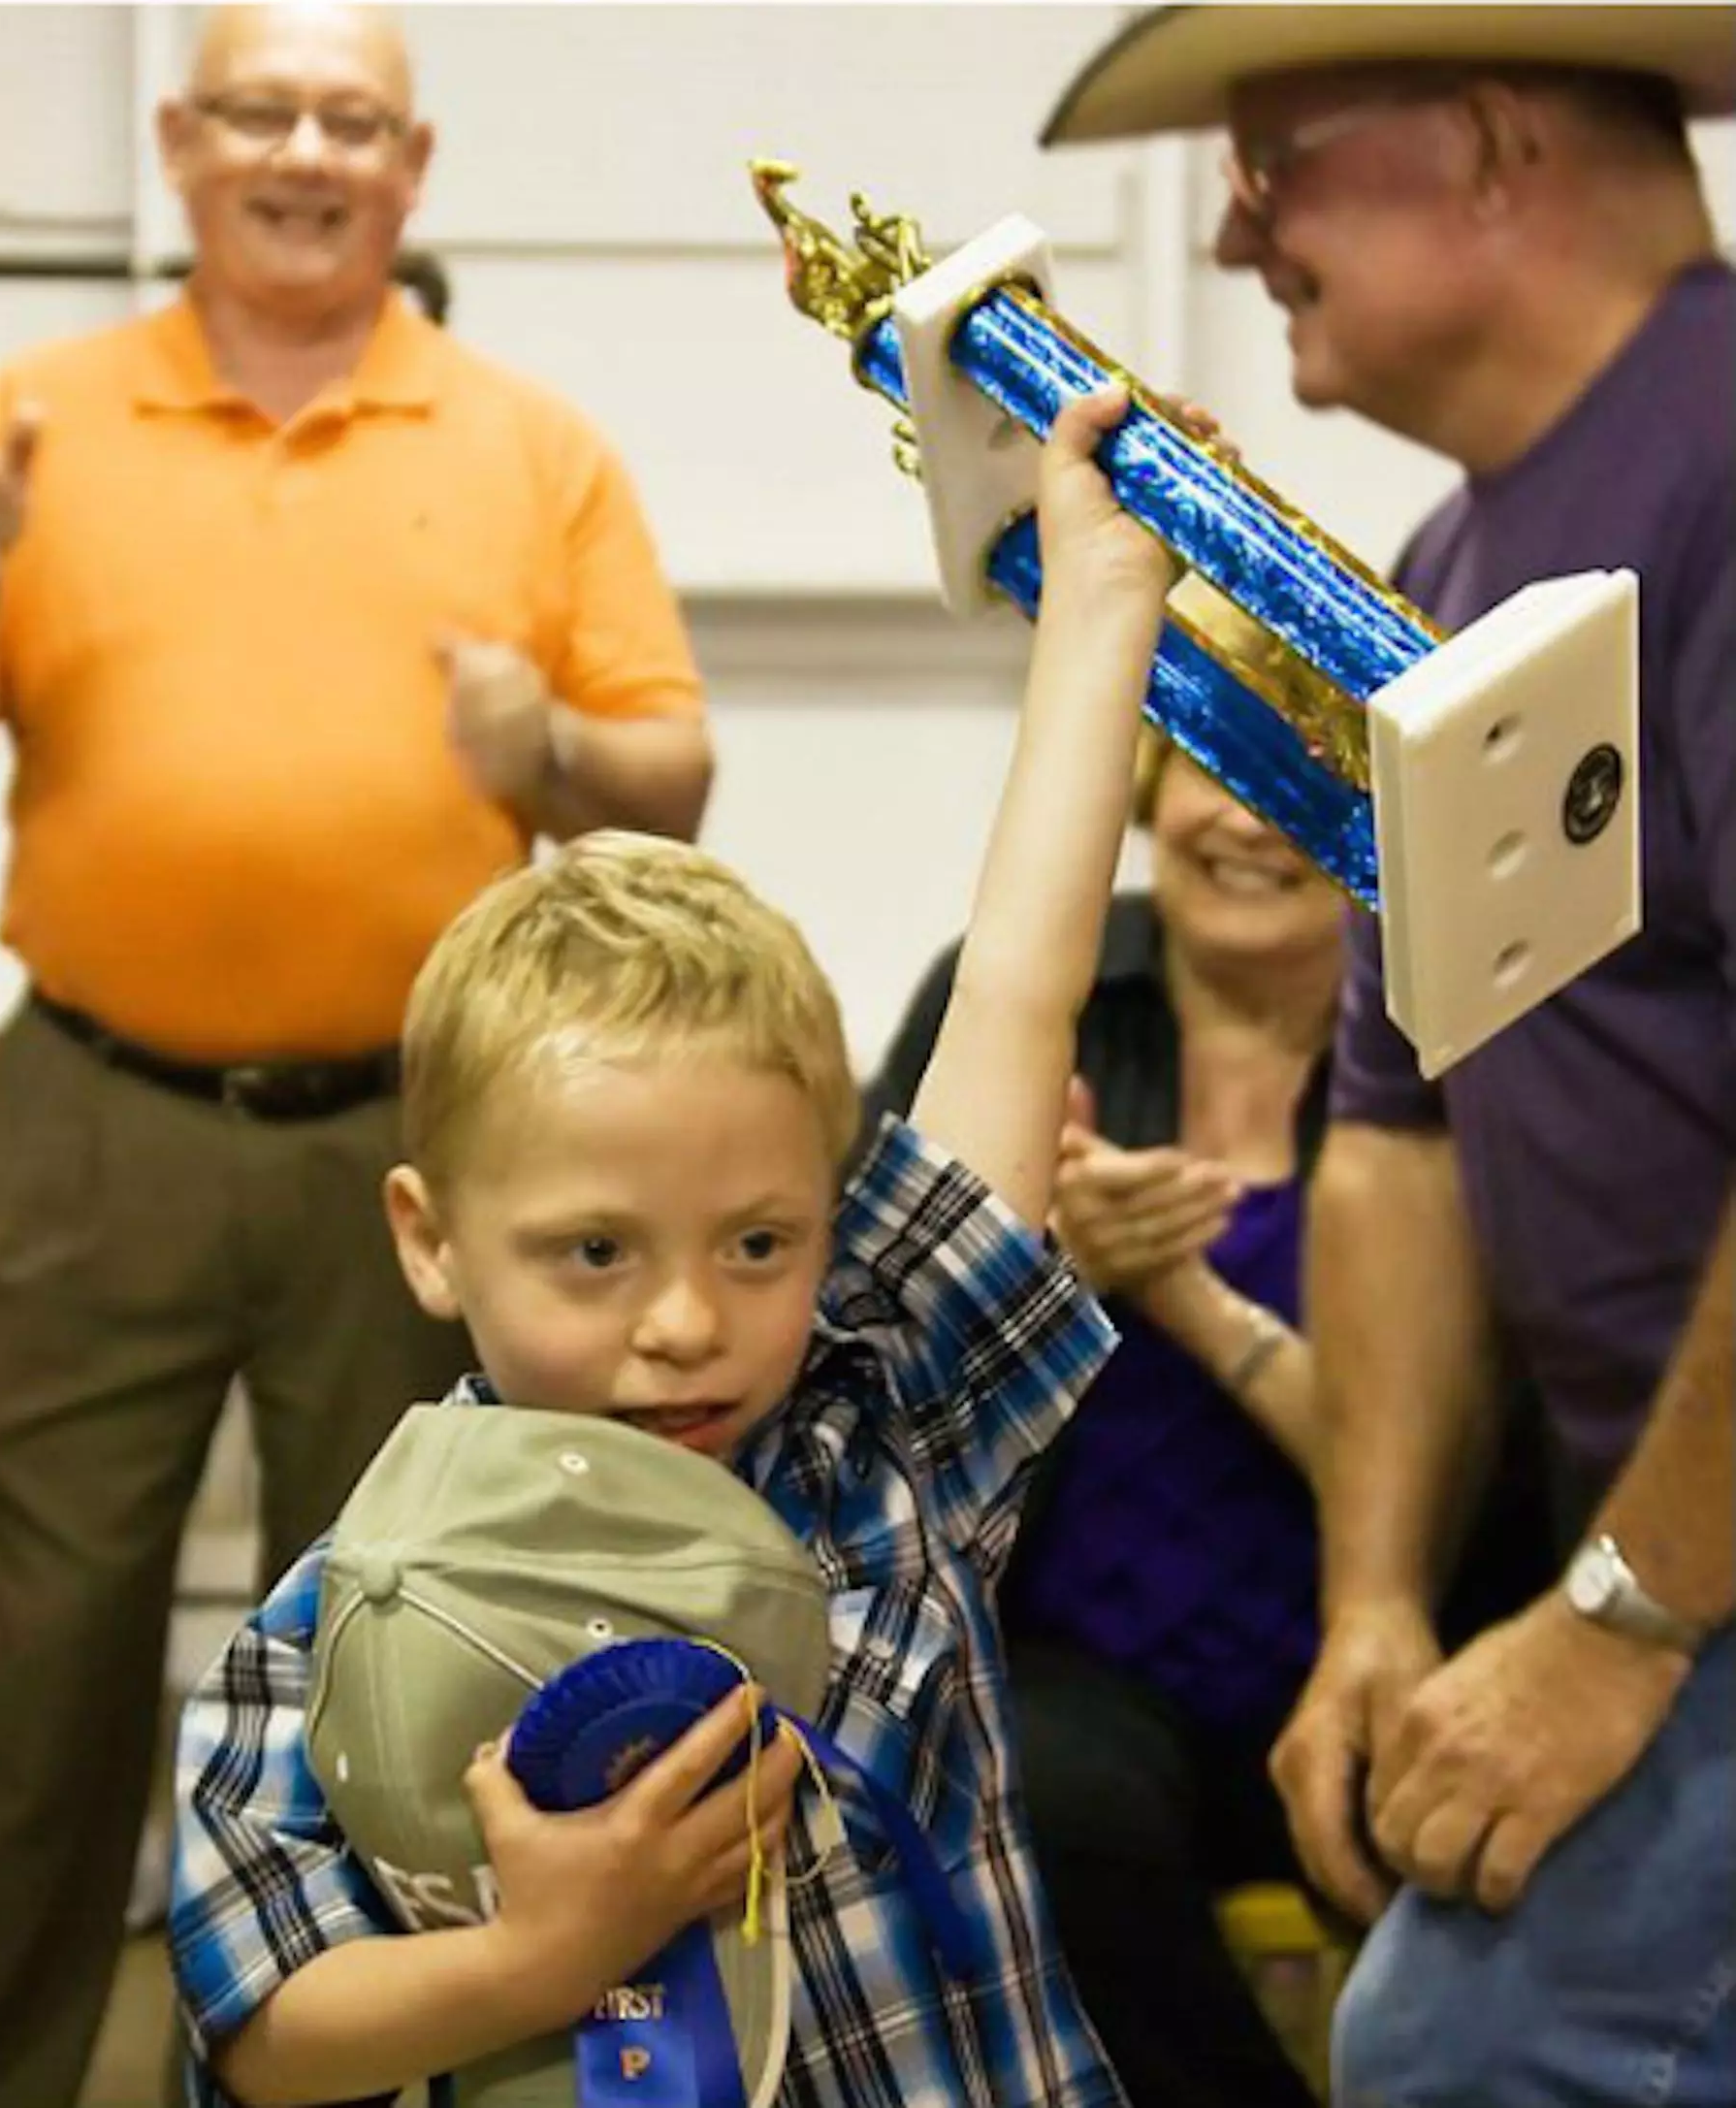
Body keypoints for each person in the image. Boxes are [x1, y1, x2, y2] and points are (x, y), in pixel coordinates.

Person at [0, 7, 710, 2103]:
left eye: (347, 119)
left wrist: (549, 755)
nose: (301, 152)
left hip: (416, 1152)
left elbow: (664, 775)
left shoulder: (525, 440)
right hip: (92, 1121)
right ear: (180, 145)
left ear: (410, 168)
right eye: (256, 112)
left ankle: (326, 2080)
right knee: (42, 1658)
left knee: (392, 1662)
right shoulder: (35, 420)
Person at [169, 382, 1171, 2108]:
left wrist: (1099, 598)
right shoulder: (340, 1619)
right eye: (593, 1255)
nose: (690, 1323)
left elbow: (1016, 989)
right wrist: (532, 1965)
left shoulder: (893, 1423)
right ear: (430, 1241)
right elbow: (259, 2027)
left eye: (763, 1241)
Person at [1043, 9, 1735, 2103]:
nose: (1240, 236)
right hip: (1666, 1539)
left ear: (1495, 146)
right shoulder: (1452, 567)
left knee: (1465, 2046)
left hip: (1682, 1569)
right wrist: (1371, 1611)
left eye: (1275, 166)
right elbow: (1400, 1130)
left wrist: (1619, 1617)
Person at [866, 734, 1340, 2108]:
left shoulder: (1442, 1050)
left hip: (1367, 1648)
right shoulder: (1019, 1003)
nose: (1252, 819)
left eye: (1307, 778)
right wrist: (1042, 1266)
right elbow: (868, 1375)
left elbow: (1457, 1463)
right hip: (1075, 1663)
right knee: (1038, 1803)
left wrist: (1180, 1296)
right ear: (1151, 784)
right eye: (1220, 766)